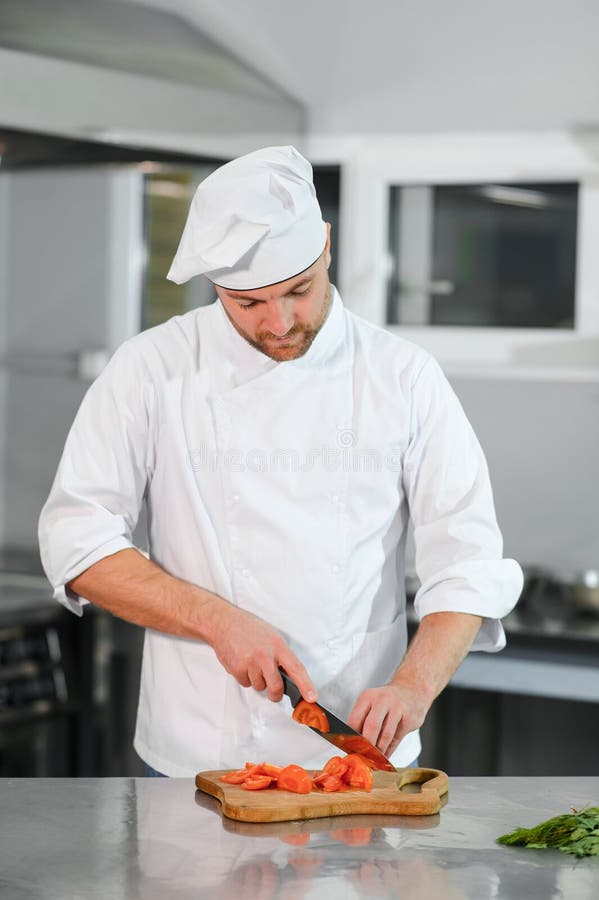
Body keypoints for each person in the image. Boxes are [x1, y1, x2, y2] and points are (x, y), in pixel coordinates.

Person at [38, 146, 522, 777]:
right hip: (202, 754)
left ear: (325, 244)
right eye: (249, 304)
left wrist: (414, 688)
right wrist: (215, 620)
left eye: (299, 291)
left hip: (359, 754)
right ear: (217, 287)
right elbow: (76, 541)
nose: (281, 323)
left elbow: (467, 562)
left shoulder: (403, 377)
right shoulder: (152, 369)